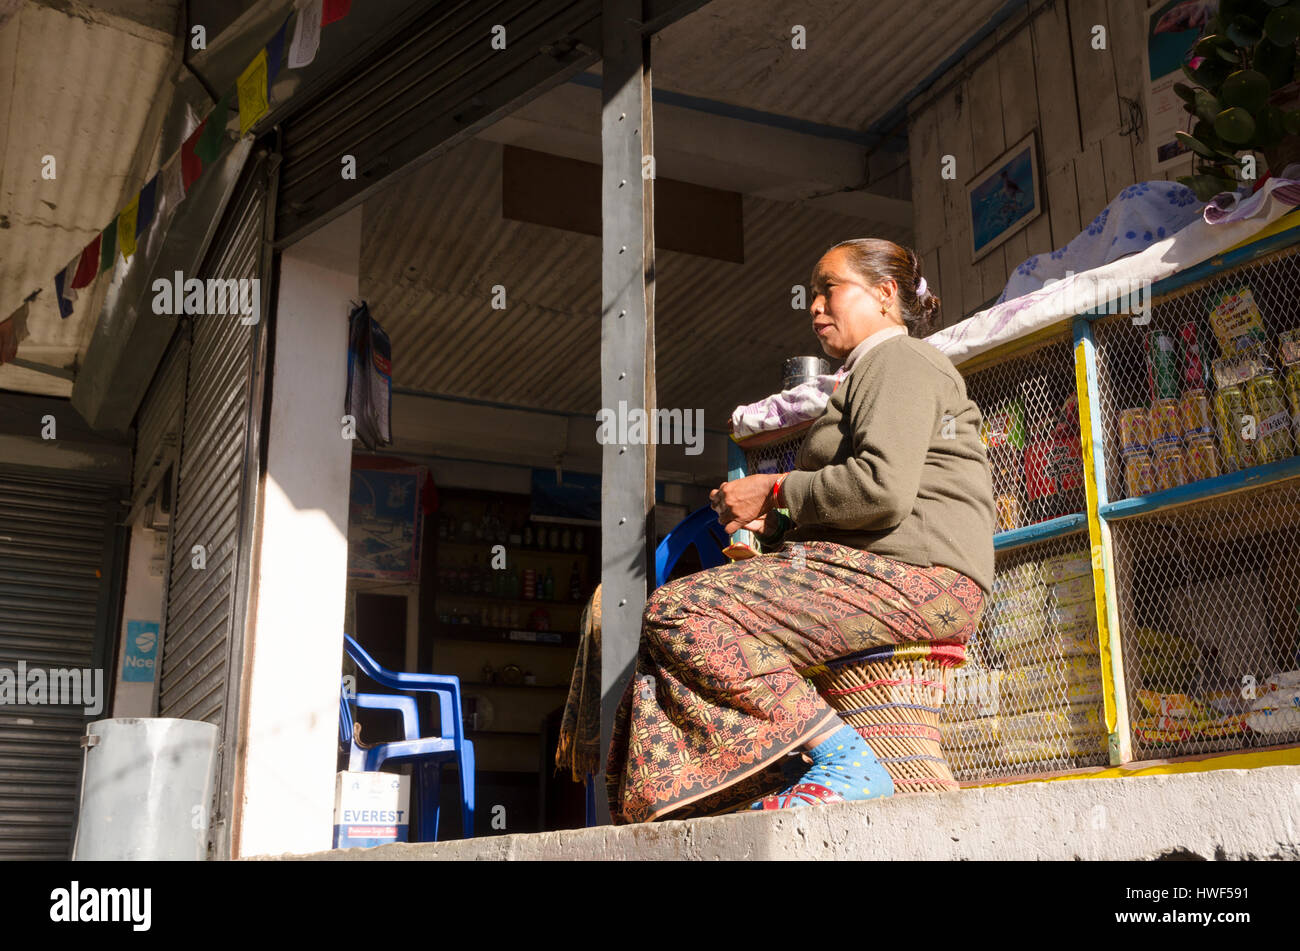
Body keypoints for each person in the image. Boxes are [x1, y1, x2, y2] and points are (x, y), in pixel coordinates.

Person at [604, 238, 995, 823]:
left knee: (678, 611)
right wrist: (774, 523)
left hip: (919, 579)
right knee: (663, 649)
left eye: (828, 288)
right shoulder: (864, 374)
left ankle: (843, 759)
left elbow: (881, 490)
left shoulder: (901, 360)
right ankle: (731, 796)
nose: (813, 306)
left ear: (885, 294)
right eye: (811, 294)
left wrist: (777, 491)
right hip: (880, 571)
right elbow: (852, 497)